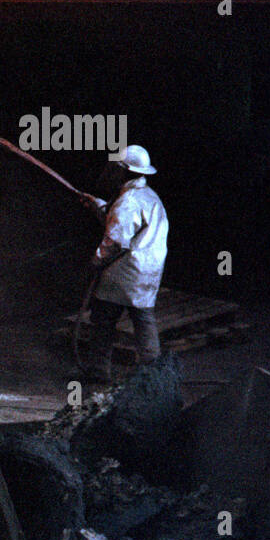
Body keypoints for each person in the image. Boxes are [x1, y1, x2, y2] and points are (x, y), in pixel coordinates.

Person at [77, 145, 169, 383]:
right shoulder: (149, 197)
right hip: (147, 273)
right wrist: (98, 206)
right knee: (144, 322)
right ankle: (154, 377)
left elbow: (116, 241)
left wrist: (95, 262)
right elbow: (120, 221)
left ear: (123, 171)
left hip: (124, 274)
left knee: (103, 321)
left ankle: (99, 372)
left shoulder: (128, 201)